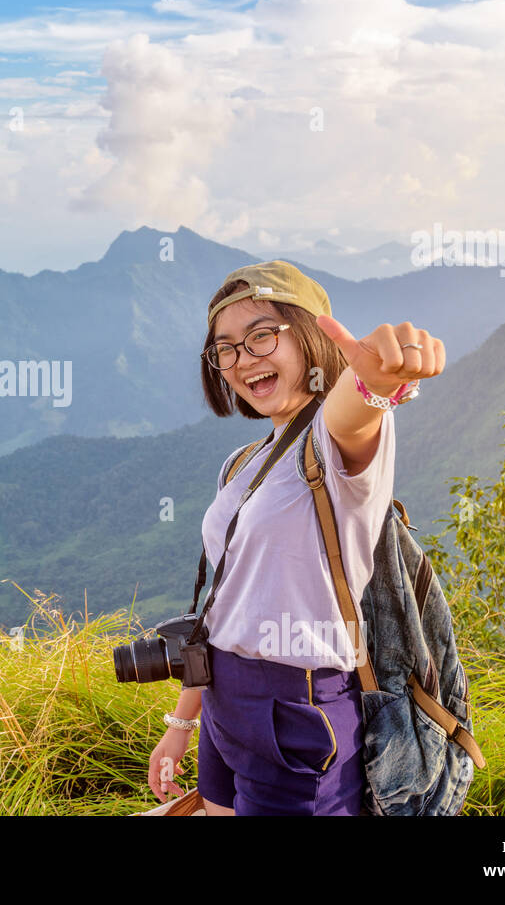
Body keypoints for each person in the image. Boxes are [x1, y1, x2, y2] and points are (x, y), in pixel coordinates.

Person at [146, 260, 444, 815]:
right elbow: (220, 608)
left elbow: (356, 413)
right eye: (227, 348)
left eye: (262, 337)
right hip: (223, 701)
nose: (242, 360)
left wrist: (377, 381)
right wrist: (183, 722)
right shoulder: (243, 462)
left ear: (310, 338)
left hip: (297, 708)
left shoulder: (334, 447)